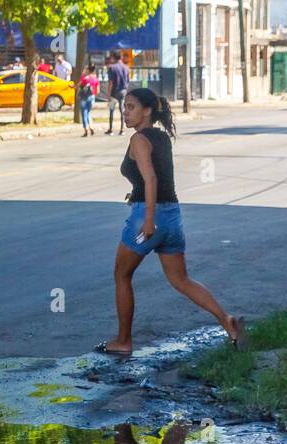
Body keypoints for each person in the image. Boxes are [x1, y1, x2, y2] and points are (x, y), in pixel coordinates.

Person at [96, 87, 245, 357]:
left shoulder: (139, 140)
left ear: (147, 110)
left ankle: (123, 341)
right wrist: (137, 192)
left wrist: (149, 220)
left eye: (131, 107)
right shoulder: (162, 137)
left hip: (148, 218)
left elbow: (152, 179)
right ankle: (227, 320)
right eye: (125, 107)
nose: (125, 112)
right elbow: (155, 178)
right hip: (173, 215)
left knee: (121, 275)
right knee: (181, 279)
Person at [106, 52, 130, 134]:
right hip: (123, 91)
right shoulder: (126, 68)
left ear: (113, 58)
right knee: (122, 110)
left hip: (114, 91)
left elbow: (110, 82)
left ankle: (111, 129)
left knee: (111, 110)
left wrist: (108, 94)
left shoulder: (111, 68)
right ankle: (122, 129)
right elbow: (128, 81)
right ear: (121, 57)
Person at [77, 67, 99, 136]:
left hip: (83, 97)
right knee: (88, 112)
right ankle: (91, 127)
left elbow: (78, 86)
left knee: (84, 113)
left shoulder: (84, 78)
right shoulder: (95, 79)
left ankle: (86, 129)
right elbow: (98, 90)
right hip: (91, 97)